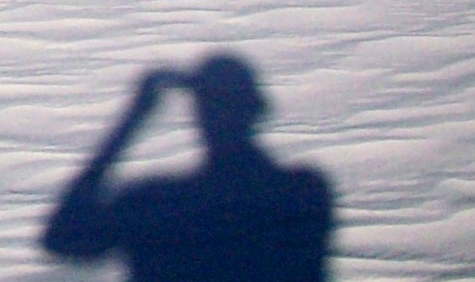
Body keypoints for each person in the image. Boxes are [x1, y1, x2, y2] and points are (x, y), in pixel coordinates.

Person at [43, 53, 332, 281]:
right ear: (256, 109)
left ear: (198, 116)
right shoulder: (303, 193)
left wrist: (131, 121)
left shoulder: (157, 203)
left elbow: (62, 238)